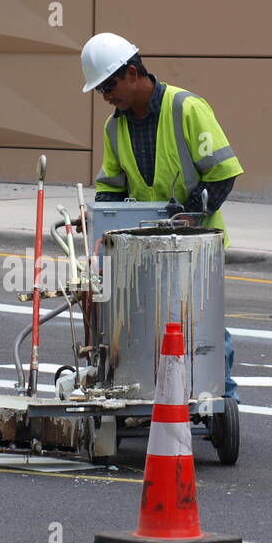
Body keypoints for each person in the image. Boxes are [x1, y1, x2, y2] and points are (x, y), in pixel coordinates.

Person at [81, 32, 244, 400]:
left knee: (202, 325)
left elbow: (223, 174)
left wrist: (192, 216)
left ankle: (222, 398)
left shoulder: (186, 108)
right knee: (140, 324)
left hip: (194, 242)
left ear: (133, 74)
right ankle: (153, 393)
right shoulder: (115, 126)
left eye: (109, 86)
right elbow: (112, 186)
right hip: (140, 243)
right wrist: (100, 217)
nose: (107, 96)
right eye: (100, 91)